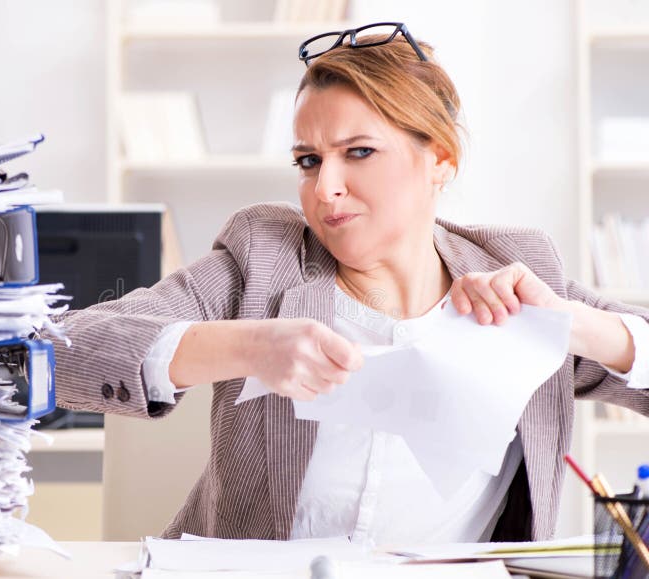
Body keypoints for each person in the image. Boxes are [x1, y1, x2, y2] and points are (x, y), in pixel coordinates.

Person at [47, 22, 649, 544]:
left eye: (358, 152)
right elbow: (65, 351)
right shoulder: (265, 255)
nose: (323, 188)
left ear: (439, 159)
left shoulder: (514, 272)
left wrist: (575, 325)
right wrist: (249, 347)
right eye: (308, 160)